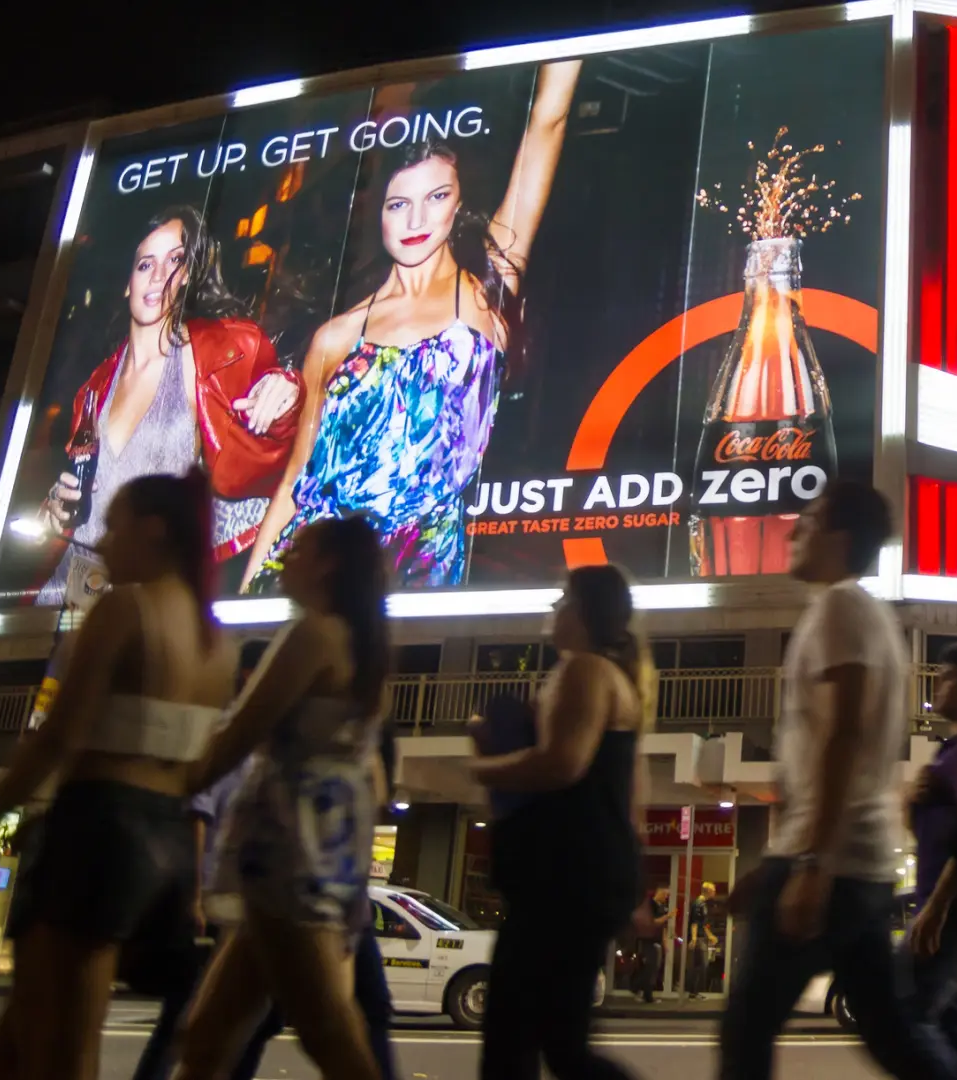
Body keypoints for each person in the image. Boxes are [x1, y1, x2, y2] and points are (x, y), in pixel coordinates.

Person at [241, 60, 580, 593]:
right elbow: (294, 483)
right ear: (380, 213)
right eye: (400, 204)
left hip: (422, 564)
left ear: (458, 204)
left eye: (436, 198)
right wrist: (241, 607)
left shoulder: (484, 288)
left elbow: (548, 122)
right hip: (313, 566)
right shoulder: (336, 336)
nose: (417, 221)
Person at [0, 471, 237, 1080]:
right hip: (163, 839)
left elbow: (58, 736)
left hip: (98, 825)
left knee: (53, 1044)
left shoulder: (125, 609)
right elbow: (199, 766)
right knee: (34, 1041)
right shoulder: (217, 643)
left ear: (154, 530)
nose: (104, 543)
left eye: (113, 526)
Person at [718, 482, 957, 1080]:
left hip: (834, 861)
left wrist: (809, 864)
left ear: (840, 538)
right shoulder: (862, 614)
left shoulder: (840, 608)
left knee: (746, 1027)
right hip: (858, 863)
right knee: (892, 1036)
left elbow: (843, 734)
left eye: (808, 521)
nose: (793, 531)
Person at [172, 516, 393, 1080]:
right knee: (207, 1038)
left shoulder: (314, 634)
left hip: (286, 854)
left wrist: (164, 783)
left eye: (297, 549)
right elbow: (375, 782)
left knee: (330, 1038)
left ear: (328, 564)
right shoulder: (364, 649)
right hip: (319, 854)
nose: (283, 558)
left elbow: (239, 736)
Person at [38, 208, 300, 605]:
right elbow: (89, 494)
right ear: (128, 282)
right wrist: (56, 509)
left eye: (175, 261)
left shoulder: (223, 352)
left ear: (191, 277)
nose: (159, 276)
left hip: (156, 591)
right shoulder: (92, 389)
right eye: (146, 264)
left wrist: (289, 390)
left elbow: (276, 452)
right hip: (77, 588)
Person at [470, 565, 650, 1080]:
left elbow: (561, 763)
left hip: (570, 882)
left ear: (583, 610)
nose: (554, 609)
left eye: (562, 598)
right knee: (544, 1039)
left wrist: (481, 768)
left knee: (529, 1040)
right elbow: (630, 793)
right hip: (576, 880)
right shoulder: (594, 676)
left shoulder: (585, 672)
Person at [230, 716, 403, 1079]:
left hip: (310, 866)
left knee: (232, 1025)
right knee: (342, 1019)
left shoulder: (355, 696)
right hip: (305, 864)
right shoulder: (357, 694)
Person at [130, 754, 255, 1080]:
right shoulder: (235, 747)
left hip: (244, 910)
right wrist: (194, 896)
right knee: (183, 1018)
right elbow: (197, 815)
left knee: (243, 1022)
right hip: (217, 907)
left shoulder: (268, 754)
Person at [906, 641, 957, 1080]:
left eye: (949, 674)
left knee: (904, 1016)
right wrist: (910, 800)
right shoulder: (950, 752)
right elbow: (928, 837)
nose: (938, 682)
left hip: (950, 913)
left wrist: (936, 908)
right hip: (942, 909)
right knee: (951, 1028)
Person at [635, 886, 675, 1002]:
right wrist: (667, 916)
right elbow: (653, 922)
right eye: (666, 895)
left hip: (656, 941)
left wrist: (665, 943)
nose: (667, 897)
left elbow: (662, 928)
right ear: (660, 893)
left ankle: (644, 993)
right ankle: (637, 988)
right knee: (650, 966)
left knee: (654, 968)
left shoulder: (661, 907)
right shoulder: (650, 905)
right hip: (648, 940)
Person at [687, 881, 722, 998]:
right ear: (708, 891)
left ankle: (694, 991)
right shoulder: (699, 903)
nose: (715, 893)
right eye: (713, 890)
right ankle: (693, 991)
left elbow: (703, 923)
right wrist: (694, 938)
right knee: (701, 964)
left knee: (701, 965)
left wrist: (710, 935)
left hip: (702, 937)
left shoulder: (704, 904)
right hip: (699, 938)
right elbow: (695, 922)